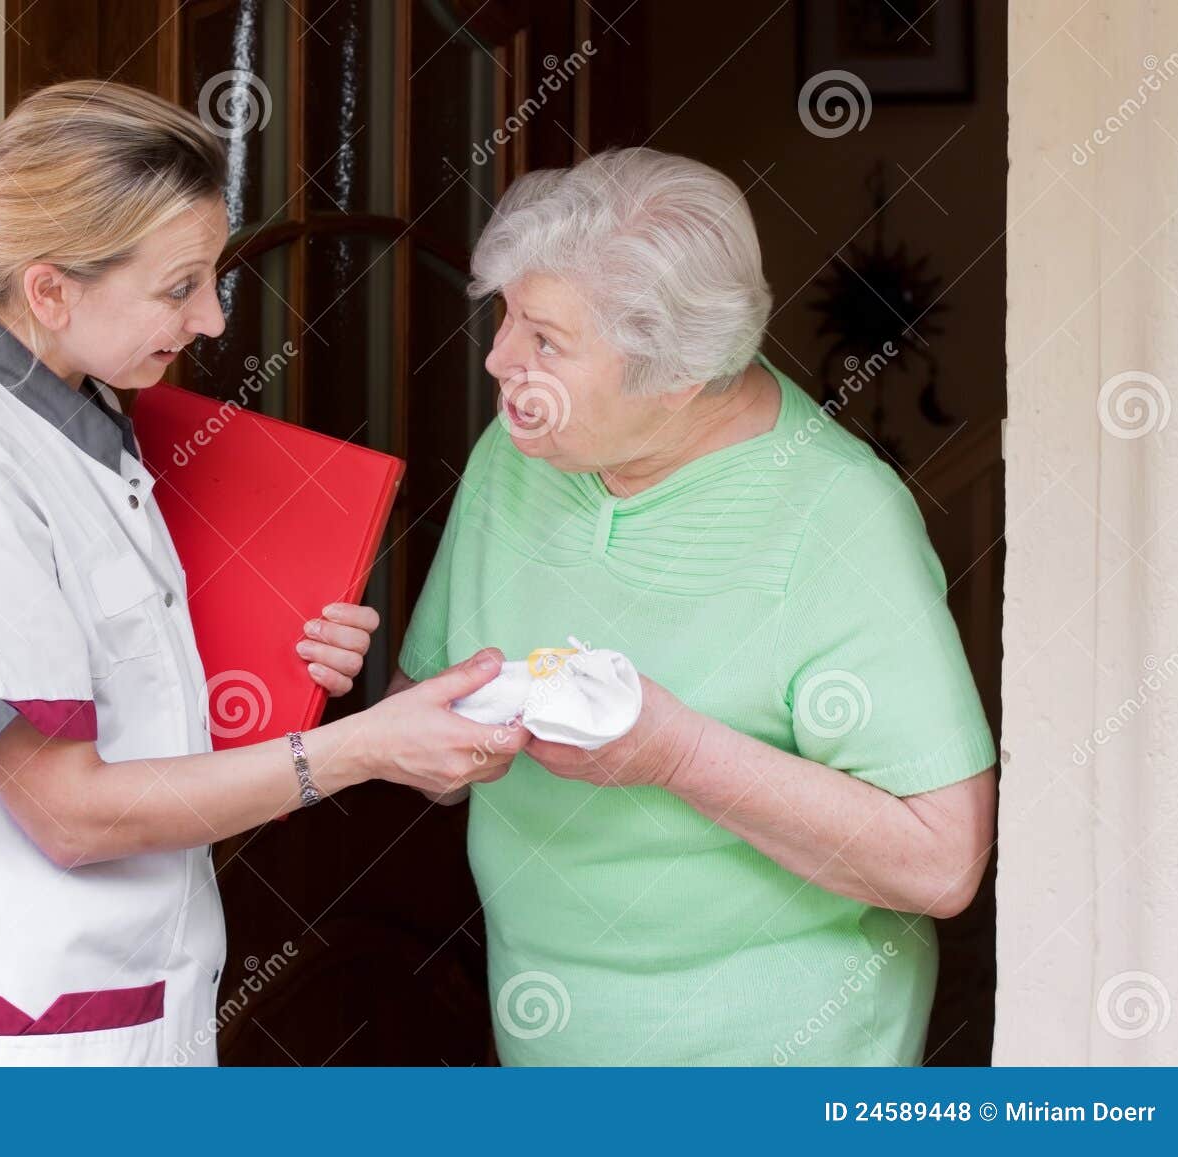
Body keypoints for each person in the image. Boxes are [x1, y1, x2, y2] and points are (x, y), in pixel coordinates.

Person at [0, 80, 526, 1066]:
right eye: (179, 285)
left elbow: (123, 693)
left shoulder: (88, 417)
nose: (209, 318)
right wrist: (362, 751)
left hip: (134, 1005)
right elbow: (69, 812)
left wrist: (280, 669)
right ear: (49, 290)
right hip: (31, 1037)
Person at [394, 148, 998, 1065]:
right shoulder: (516, 457)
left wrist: (674, 752)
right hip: (552, 1033)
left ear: (678, 373)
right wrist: (400, 732)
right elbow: (426, 726)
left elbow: (941, 862)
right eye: (507, 314)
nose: (500, 356)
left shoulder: (839, 513)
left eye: (546, 338)